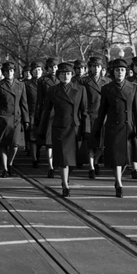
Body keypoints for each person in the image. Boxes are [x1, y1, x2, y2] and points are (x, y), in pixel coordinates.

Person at [91, 59, 137, 198]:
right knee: (116, 157)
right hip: (113, 127)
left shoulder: (134, 87)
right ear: (113, 72)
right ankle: (118, 182)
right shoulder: (107, 88)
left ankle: (119, 177)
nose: (120, 72)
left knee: (126, 158)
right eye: (117, 70)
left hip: (128, 127)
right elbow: (102, 111)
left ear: (126, 72)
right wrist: (97, 128)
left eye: (122, 70)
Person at [38, 62, 88, 197]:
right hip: (59, 128)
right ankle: (65, 184)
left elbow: (85, 112)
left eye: (68, 73)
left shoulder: (80, 89)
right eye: (62, 73)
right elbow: (46, 111)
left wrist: (86, 130)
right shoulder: (52, 90)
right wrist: (42, 130)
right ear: (58, 75)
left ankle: (66, 177)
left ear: (72, 75)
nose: (65, 76)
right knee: (64, 159)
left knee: (73, 161)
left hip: (75, 128)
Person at [0, 61, 30, 176]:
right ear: (3, 73)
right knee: (3, 144)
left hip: (17, 118)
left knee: (15, 145)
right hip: (2, 118)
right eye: (6, 71)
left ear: (14, 72)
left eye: (11, 71)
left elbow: (24, 103)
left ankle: (10, 163)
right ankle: (5, 168)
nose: (9, 73)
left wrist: (26, 119)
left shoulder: (20, 85)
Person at [34, 57, 60, 177]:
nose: (53, 69)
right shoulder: (42, 81)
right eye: (50, 67)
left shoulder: (63, 78)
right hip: (48, 112)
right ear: (47, 69)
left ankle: (57, 163)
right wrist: (38, 115)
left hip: (60, 113)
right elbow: (39, 100)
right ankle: (50, 167)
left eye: (55, 67)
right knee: (49, 142)